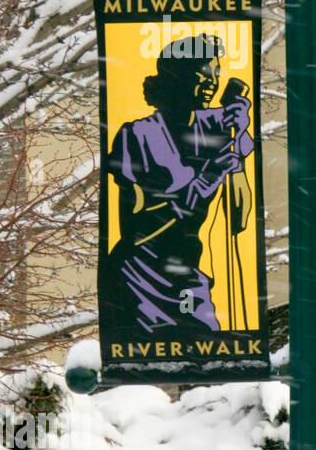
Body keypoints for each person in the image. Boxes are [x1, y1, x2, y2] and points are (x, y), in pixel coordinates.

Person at [103, 33, 253, 334]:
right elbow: (138, 224)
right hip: (139, 273)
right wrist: (207, 178)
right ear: (177, 77)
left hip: (188, 273)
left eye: (216, 72)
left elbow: (241, 215)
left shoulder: (212, 126)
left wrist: (241, 134)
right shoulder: (137, 135)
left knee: (208, 348)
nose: (212, 81)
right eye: (202, 73)